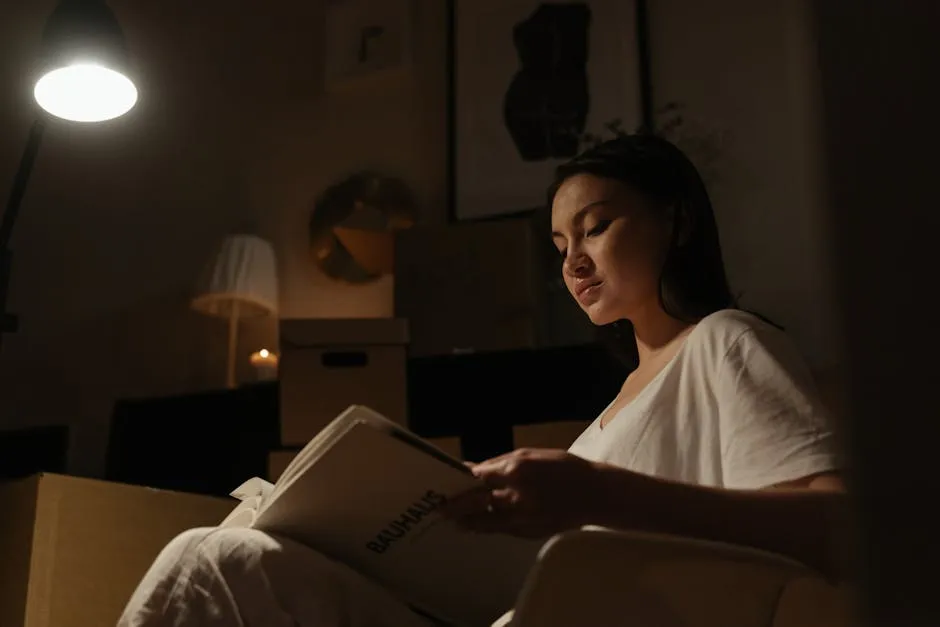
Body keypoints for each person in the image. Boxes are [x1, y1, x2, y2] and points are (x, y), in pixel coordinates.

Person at [117, 135, 844, 627]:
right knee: (225, 557)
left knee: (209, 564)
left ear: (675, 221)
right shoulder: (607, 416)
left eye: (596, 227)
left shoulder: (725, 344)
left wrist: (598, 494)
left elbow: (836, 529)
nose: (573, 263)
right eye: (562, 246)